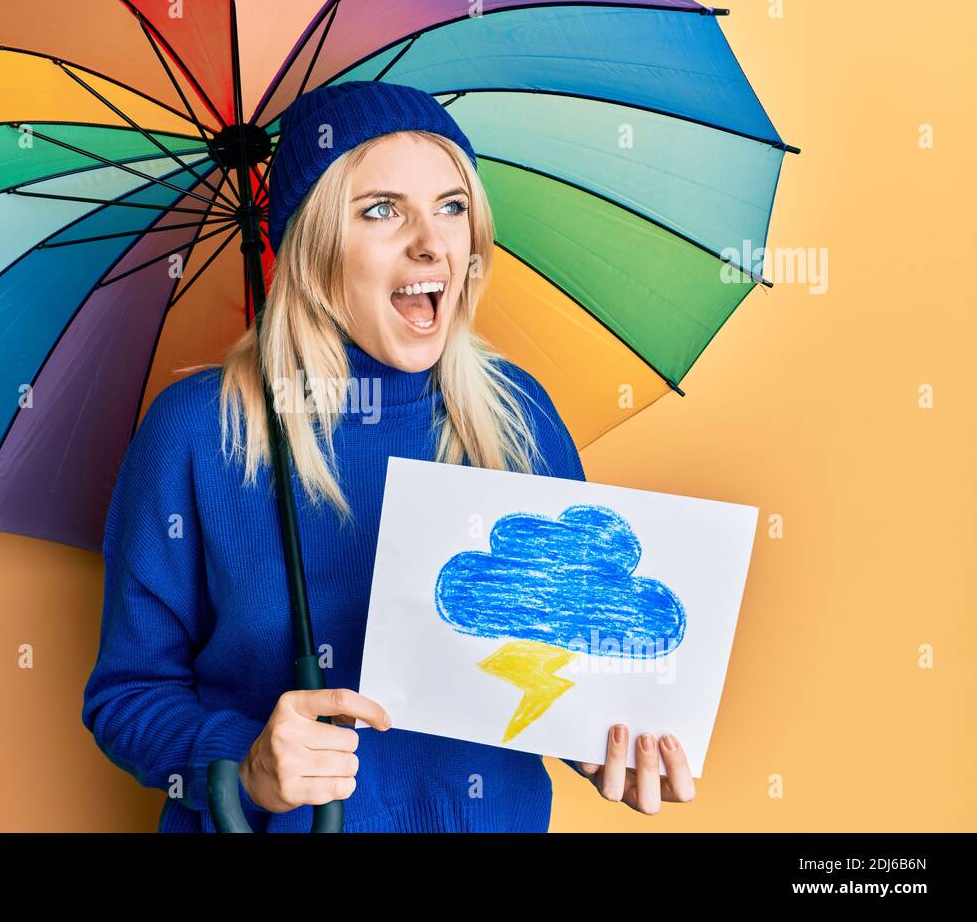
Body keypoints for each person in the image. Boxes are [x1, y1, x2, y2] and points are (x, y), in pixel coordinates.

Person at [82, 81, 695, 832]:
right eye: (381, 210)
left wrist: (606, 743)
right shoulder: (199, 431)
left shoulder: (517, 415)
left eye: (452, 206)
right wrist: (245, 764)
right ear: (312, 247)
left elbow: (558, 657)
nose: (431, 242)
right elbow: (128, 697)